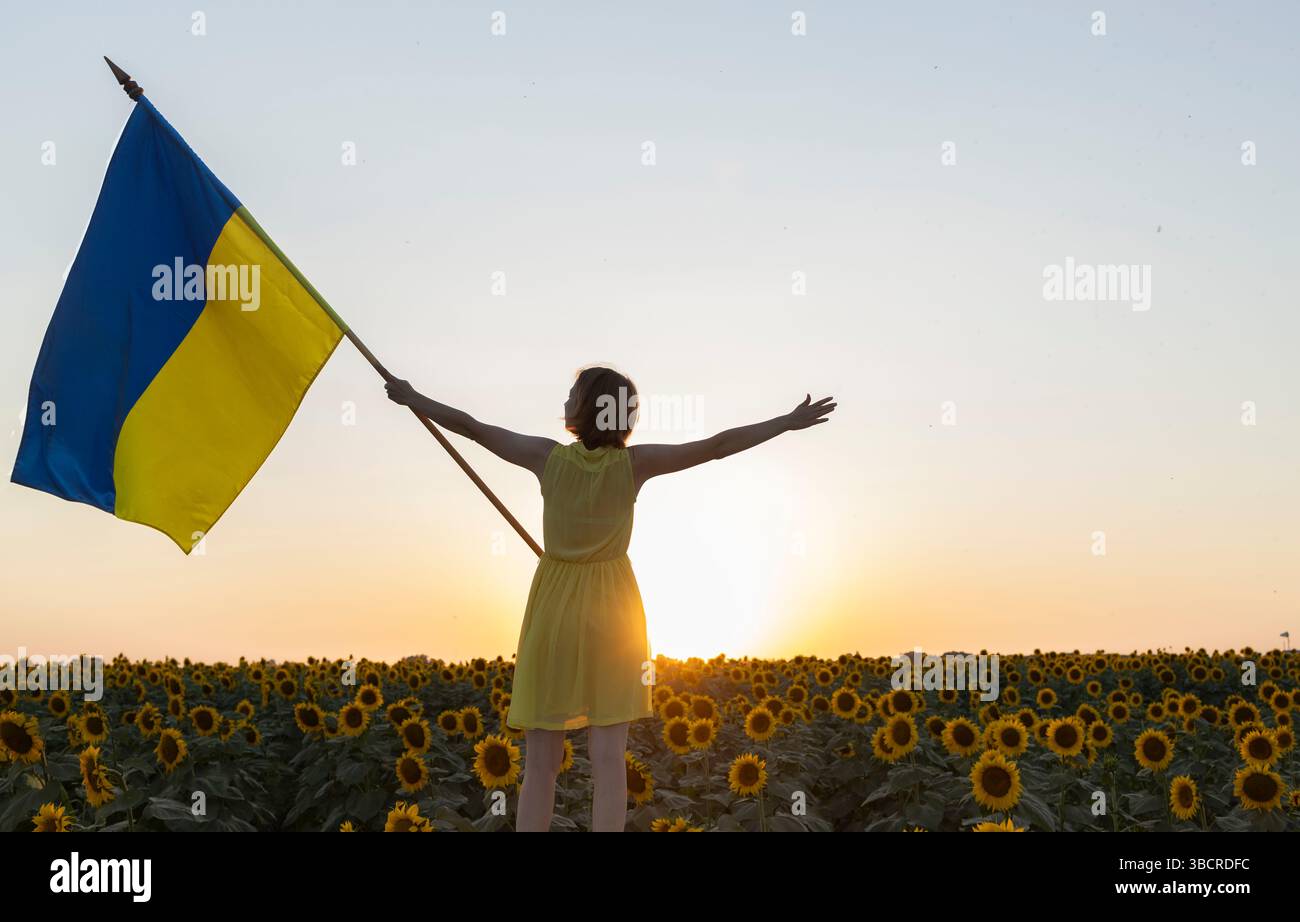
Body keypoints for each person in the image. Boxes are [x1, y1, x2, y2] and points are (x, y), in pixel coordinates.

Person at [384, 365, 835, 831]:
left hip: (555, 607)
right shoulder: (634, 464)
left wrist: (414, 397)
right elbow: (715, 447)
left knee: (541, 762)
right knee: (607, 761)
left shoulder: (546, 457)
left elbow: (473, 428)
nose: (566, 396)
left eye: (573, 391)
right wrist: (783, 423)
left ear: (589, 406)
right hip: (614, 613)